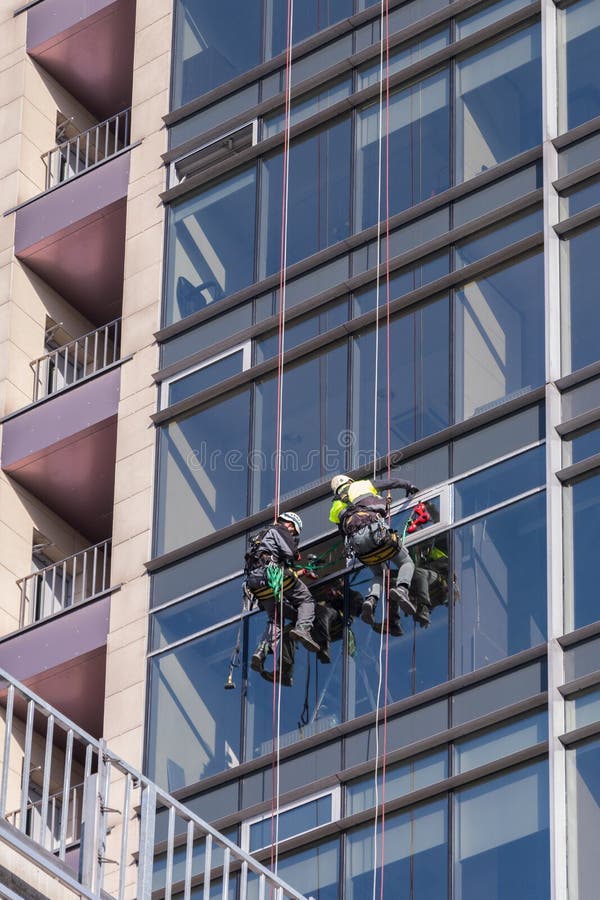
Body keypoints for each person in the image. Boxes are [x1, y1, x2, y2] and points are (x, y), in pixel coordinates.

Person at [329, 474, 419, 635]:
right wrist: (408, 484)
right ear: (349, 481)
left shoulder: (335, 506)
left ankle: (371, 599)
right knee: (406, 562)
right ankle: (402, 589)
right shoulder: (361, 484)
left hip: (358, 544)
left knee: (380, 573)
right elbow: (392, 482)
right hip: (375, 532)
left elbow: (342, 533)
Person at [245, 512, 320, 678]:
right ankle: (302, 629)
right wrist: (297, 555)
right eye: (294, 532)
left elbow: (273, 564)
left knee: (276, 618)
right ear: (291, 525)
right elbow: (291, 554)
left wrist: (301, 572)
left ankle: (261, 650)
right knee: (306, 601)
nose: (292, 534)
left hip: (257, 583)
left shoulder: (261, 536)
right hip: (272, 576)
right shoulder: (280, 530)